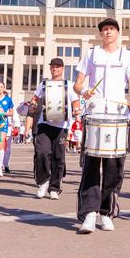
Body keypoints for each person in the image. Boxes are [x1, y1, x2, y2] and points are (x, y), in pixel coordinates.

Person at [73, 17, 130, 235]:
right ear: (100, 34)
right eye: (104, 30)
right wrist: (85, 92)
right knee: (92, 164)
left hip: (118, 115)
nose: (108, 32)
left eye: (112, 29)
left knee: (114, 167)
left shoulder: (128, 56)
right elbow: (77, 84)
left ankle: (106, 212)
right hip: (95, 113)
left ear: (118, 33)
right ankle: (89, 213)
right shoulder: (92, 54)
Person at [30, 58, 75, 200]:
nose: (55, 69)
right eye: (53, 67)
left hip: (61, 126)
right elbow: (35, 98)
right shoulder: (44, 84)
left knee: (58, 157)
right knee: (41, 152)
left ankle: (54, 188)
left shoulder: (69, 84)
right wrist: (32, 104)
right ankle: (43, 182)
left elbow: (75, 101)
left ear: (62, 68)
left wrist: (77, 110)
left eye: (57, 67)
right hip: (45, 124)